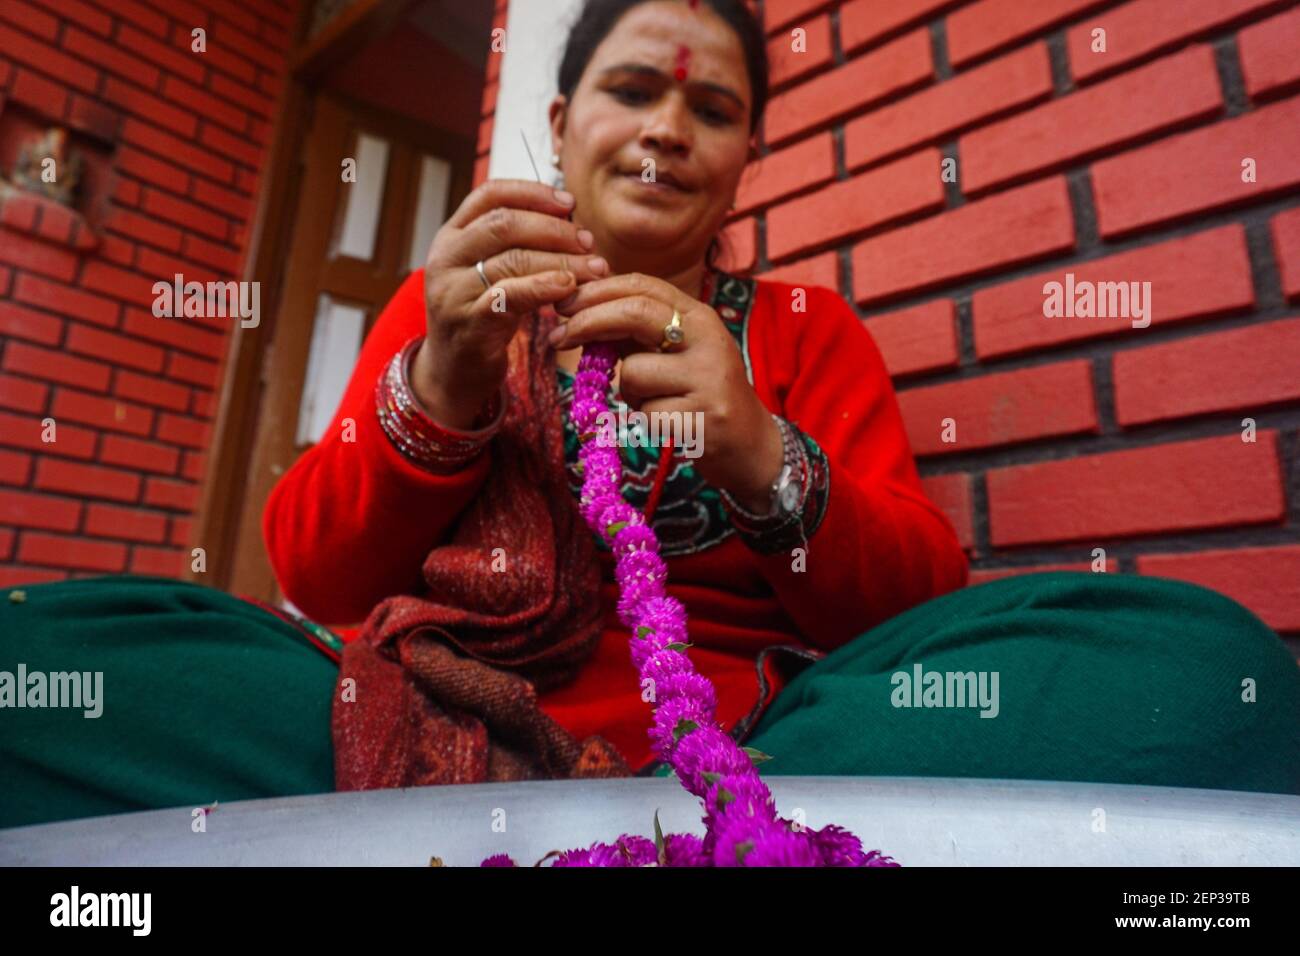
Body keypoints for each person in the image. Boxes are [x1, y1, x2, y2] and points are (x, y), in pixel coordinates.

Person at [2, 0, 1297, 830]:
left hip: (765, 745)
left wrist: (759, 451)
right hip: (411, 724)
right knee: (62, 660)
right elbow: (314, 570)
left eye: (713, 109)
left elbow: (916, 612)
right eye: (635, 91)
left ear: (742, 161)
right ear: (563, 127)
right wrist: (443, 385)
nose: (669, 129)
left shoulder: (801, 329)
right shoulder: (449, 297)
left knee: (1190, 670)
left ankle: (697, 829)